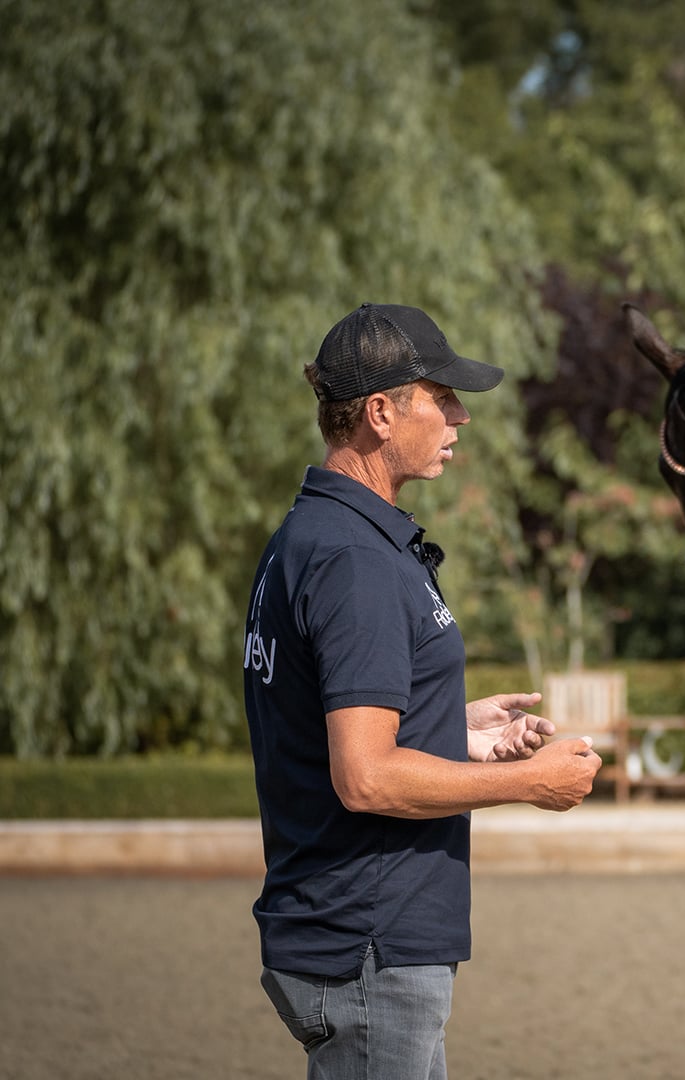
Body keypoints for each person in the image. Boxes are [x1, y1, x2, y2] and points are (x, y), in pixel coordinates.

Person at [243, 303, 603, 1079]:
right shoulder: (355, 559)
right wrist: (529, 783)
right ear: (380, 413)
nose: (460, 418)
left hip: (360, 942)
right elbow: (366, 776)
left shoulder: (315, 535)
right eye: (441, 398)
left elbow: (328, 713)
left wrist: (450, 726)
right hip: (369, 947)